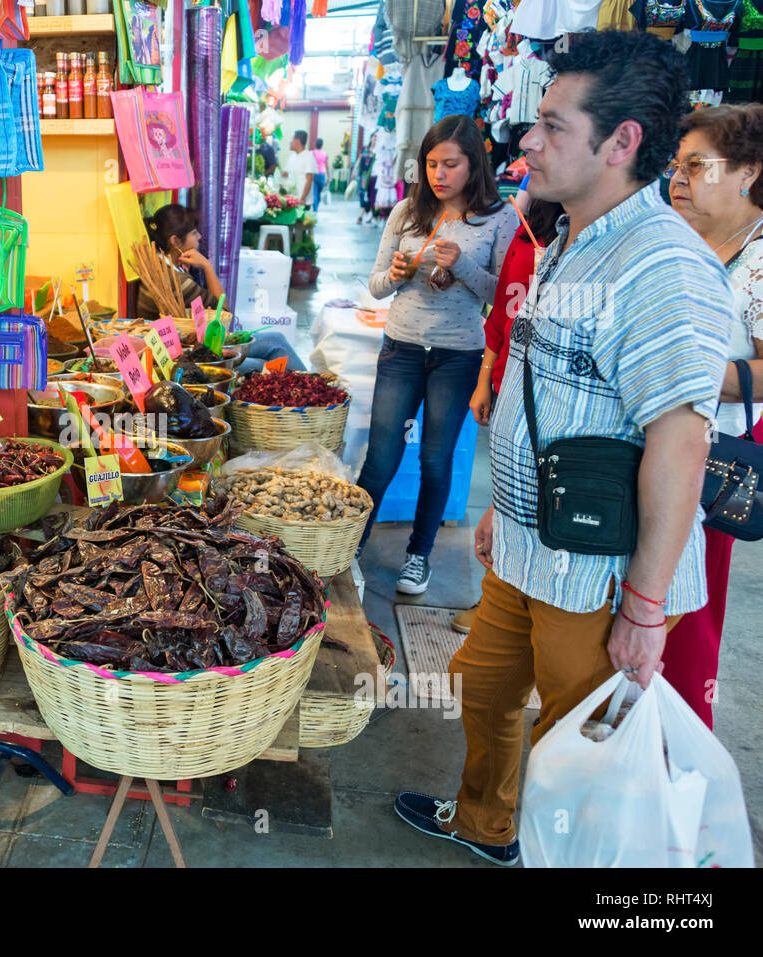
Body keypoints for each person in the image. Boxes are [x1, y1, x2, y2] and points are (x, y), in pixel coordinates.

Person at [395, 30, 733, 866]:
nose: (528, 141)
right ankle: (486, 826)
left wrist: (646, 608)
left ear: (621, 143)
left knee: (581, 744)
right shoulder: (572, 236)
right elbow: (536, 383)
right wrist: (500, 512)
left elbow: (680, 443)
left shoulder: (664, 265)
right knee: (484, 688)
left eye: (551, 125)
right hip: (527, 545)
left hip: (598, 570)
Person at [357, 114, 519, 594]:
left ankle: (418, 556)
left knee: (435, 459)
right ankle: (348, 550)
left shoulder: (500, 217)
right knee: (380, 458)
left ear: (474, 165)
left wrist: (462, 264)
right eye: (430, 164)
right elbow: (377, 284)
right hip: (402, 348)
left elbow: (505, 294)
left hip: (458, 356)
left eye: (450, 164)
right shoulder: (406, 213)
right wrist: (399, 274)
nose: (438, 175)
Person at [663, 103, 763, 729]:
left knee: (687, 607)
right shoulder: (676, 238)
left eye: (697, 166)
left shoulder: (757, 262)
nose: (678, 179)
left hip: (710, 459)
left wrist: (690, 378)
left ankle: (670, 750)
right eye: (675, 166)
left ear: (749, 172)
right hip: (645, 446)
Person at [451, 192, 564, 635]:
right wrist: (485, 379)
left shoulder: (589, 236)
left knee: (547, 503)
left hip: (555, 397)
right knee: (506, 500)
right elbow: (500, 309)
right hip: (507, 381)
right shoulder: (525, 223)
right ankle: (494, 602)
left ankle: (539, 612)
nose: (533, 148)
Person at [138, 203, 304, 375]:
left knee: (276, 341)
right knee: (269, 357)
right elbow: (223, 308)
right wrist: (206, 266)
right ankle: (318, 388)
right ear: (174, 241)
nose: (199, 237)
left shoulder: (165, 265)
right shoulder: (174, 279)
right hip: (185, 359)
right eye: (194, 233)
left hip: (196, 345)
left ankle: (318, 387)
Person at [286, 130, 317, 209]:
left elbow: (309, 180)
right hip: (292, 200)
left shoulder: (308, 157)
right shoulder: (292, 157)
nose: (290, 142)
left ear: (297, 141)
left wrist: (302, 199)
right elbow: (286, 174)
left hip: (303, 202)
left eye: (291, 139)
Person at [353, 133, 378, 225]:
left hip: (375, 177)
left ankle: (371, 215)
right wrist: (354, 172)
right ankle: (361, 215)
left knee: (373, 196)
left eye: (377, 137)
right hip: (364, 176)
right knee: (363, 195)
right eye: (374, 136)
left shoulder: (379, 150)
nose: (375, 138)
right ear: (370, 138)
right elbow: (359, 161)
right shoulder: (365, 149)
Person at [311, 137, 329, 211]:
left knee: (314, 193)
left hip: (314, 175)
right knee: (318, 193)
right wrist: (329, 177)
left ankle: (315, 209)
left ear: (315, 144)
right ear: (322, 145)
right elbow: (327, 166)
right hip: (322, 175)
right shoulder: (324, 154)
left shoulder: (312, 153)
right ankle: (316, 207)